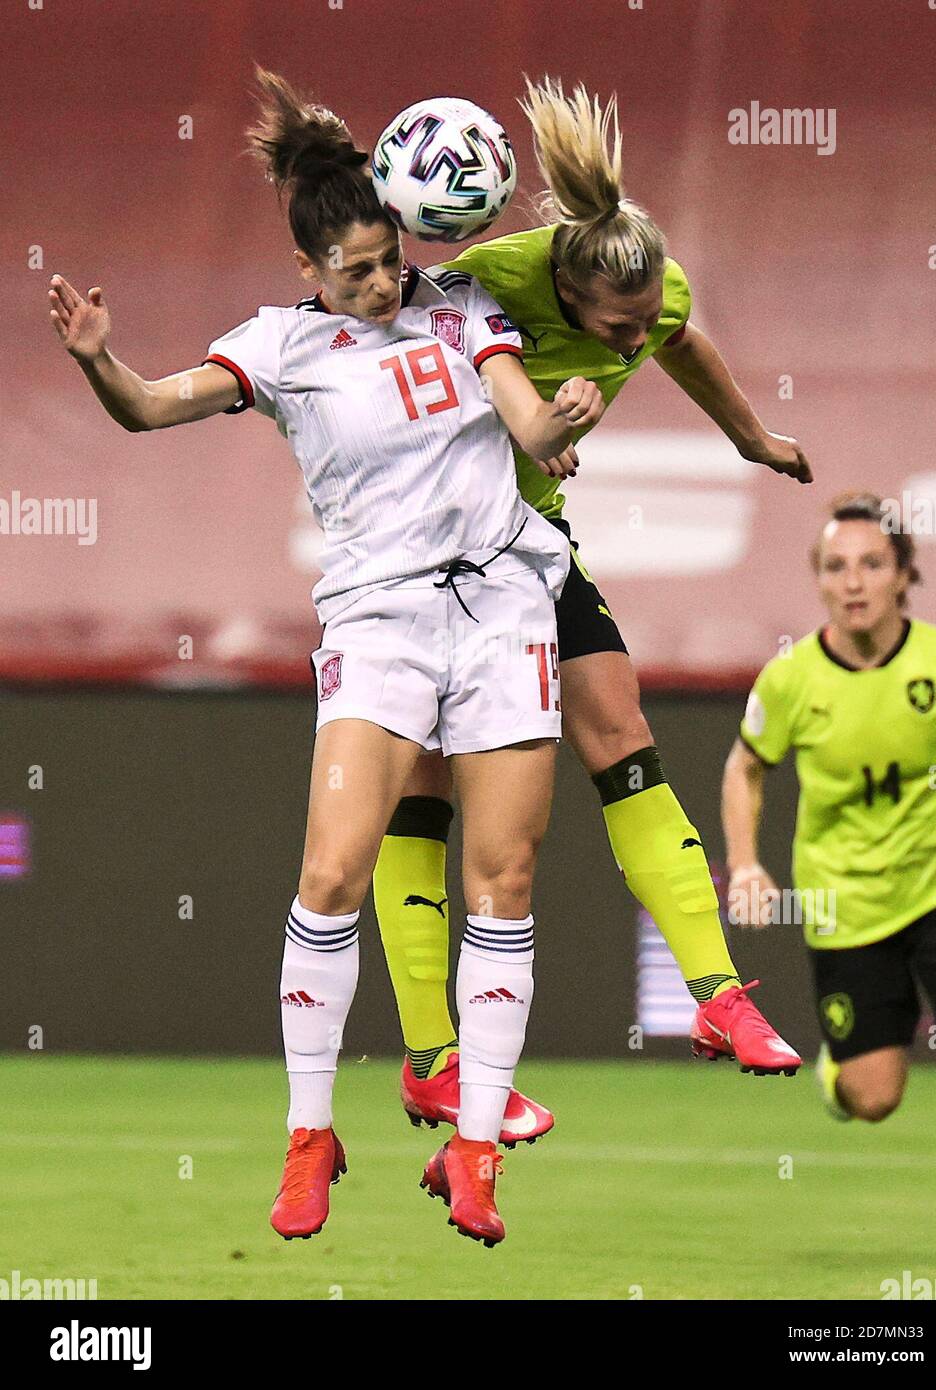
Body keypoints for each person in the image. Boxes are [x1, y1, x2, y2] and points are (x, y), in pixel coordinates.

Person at [48, 67, 606, 1248]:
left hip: (502, 604)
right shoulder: (279, 347)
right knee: (330, 876)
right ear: (306, 270)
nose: (374, 281)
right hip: (379, 621)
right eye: (349, 269)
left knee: (502, 881)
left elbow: (521, 416)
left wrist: (558, 427)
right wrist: (102, 360)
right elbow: (151, 408)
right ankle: (310, 1140)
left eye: (383, 259)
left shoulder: (457, 308)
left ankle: (474, 1150)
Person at [377, 77, 807, 1141]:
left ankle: (715, 993)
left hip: (530, 545)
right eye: (612, 329)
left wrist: (747, 437)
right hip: (428, 558)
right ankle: (430, 1054)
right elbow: (393, 384)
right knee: (421, 791)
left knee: (622, 731)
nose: (628, 345)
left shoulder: (643, 289)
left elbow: (681, 341)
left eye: (639, 324)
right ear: (562, 295)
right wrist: (521, 418)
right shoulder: (479, 289)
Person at [722, 493, 936, 1133]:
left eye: (872, 564)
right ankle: (842, 1073)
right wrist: (746, 865)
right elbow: (745, 767)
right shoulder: (791, 679)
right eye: (835, 567)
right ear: (819, 579)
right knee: (874, 1099)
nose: (854, 582)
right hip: (845, 899)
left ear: (904, 574)